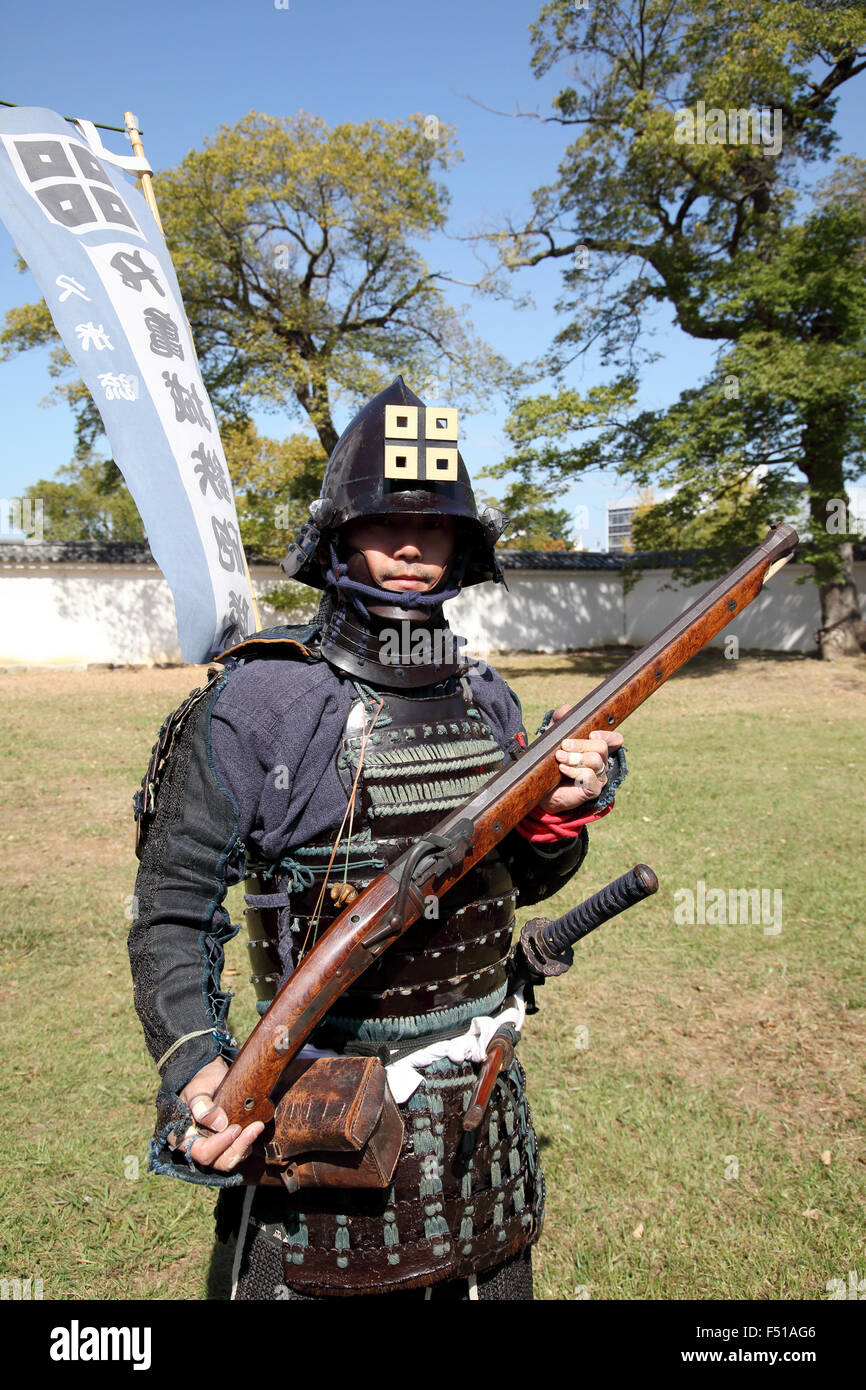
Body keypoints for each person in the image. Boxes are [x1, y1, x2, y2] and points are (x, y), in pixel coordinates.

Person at [128, 377, 625, 1300]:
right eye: (384, 524)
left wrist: (558, 818)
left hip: (482, 1105)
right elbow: (171, 911)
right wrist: (199, 1067)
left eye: (434, 528)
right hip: (325, 1111)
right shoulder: (260, 702)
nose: (409, 545)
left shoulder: (487, 697)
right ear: (337, 535)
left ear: (459, 548)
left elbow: (517, 882)